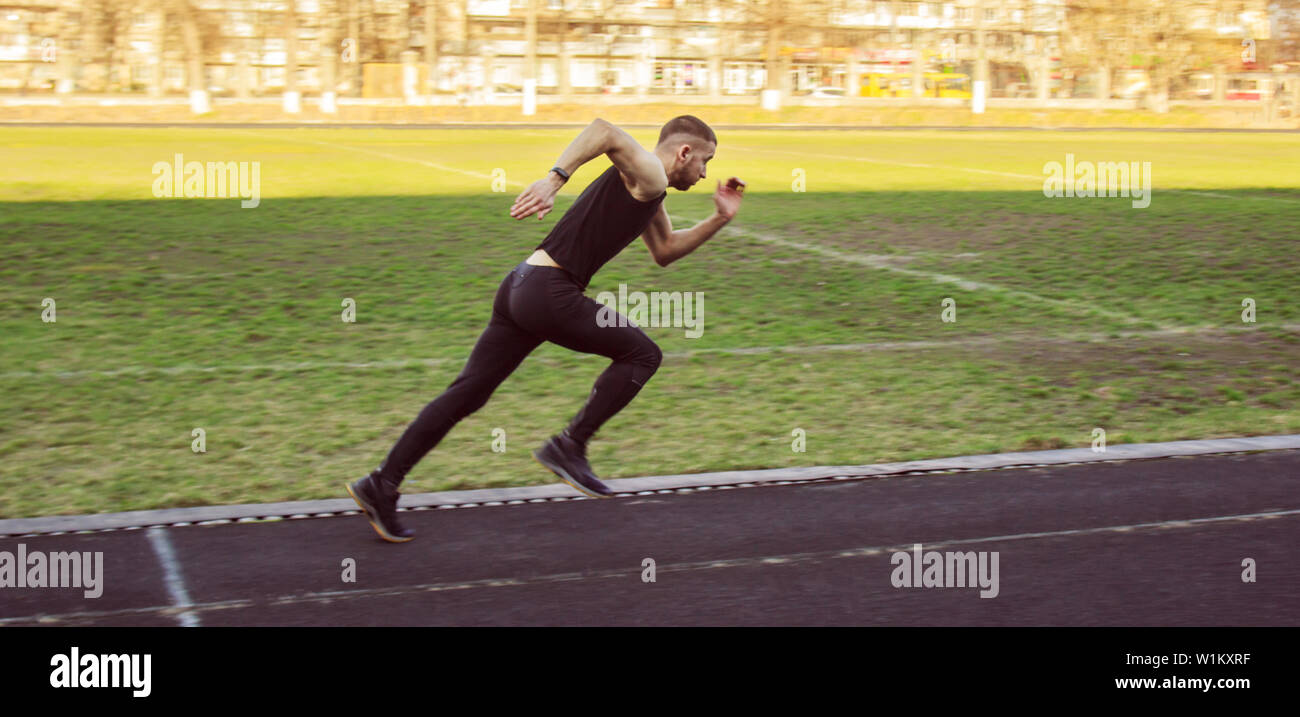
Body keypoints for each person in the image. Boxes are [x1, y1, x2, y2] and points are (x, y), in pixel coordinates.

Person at [347, 115, 745, 542]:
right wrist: (553, 180)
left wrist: (720, 218)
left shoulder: (647, 186)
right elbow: (605, 130)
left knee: (468, 392)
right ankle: (569, 445)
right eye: (705, 161)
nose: (705, 173)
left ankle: (381, 483)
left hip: (520, 285)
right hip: (549, 292)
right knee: (643, 354)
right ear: (684, 152)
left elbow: (665, 251)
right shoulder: (648, 171)